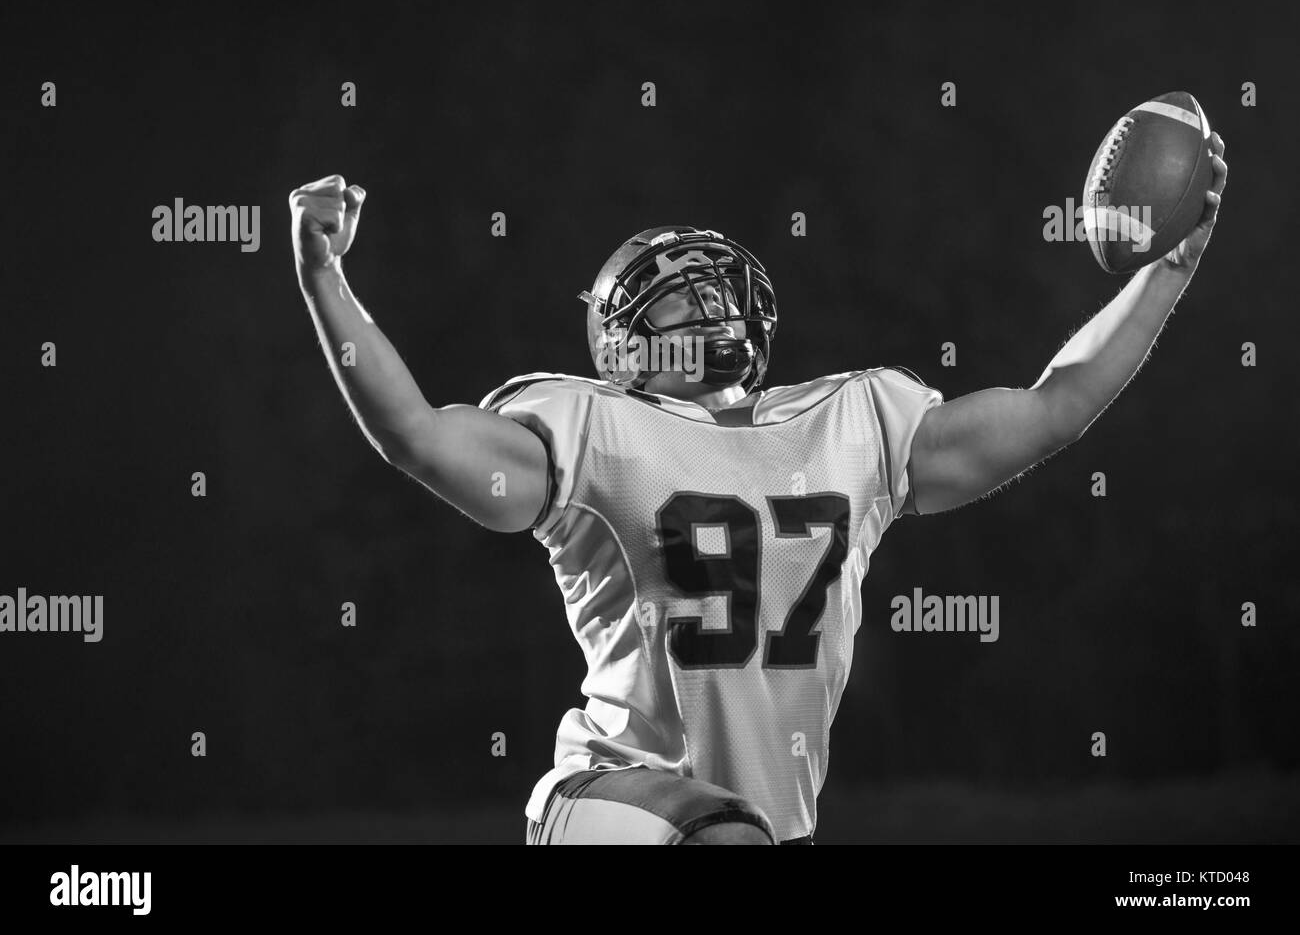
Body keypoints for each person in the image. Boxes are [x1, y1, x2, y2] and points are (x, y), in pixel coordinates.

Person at [290, 134, 1227, 844]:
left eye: (712, 285)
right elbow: (416, 435)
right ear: (623, 345)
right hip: (608, 801)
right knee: (729, 837)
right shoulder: (592, 425)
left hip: (767, 826)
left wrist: (1165, 274)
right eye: (674, 295)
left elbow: (1052, 407)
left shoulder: (857, 421)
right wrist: (324, 277)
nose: (703, 303)